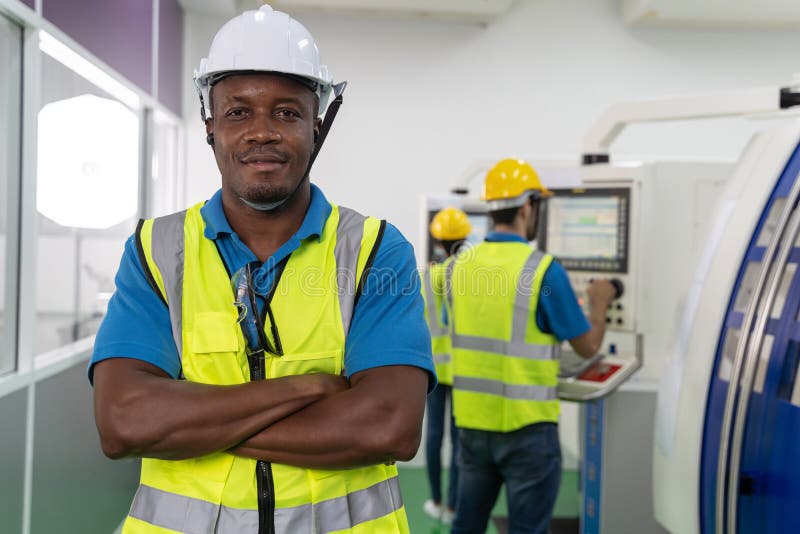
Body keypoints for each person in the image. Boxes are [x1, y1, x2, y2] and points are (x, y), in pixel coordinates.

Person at [89, 6, 434, 533]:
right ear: (210, 126)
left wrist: (186, 421)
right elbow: (122, 423)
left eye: (287, 113)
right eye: (238, 112)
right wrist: (307, 389)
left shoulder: (375, 252)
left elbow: (389, 427)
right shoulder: (154, 252)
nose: (262, 133)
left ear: (317, 126)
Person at [442, 159, 617, 534]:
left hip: (473, 423)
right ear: (527, 207)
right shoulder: (542, 269)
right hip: (528, 430)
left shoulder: (460, 266)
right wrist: (600, 303)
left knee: (467, 525)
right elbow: (587, 347)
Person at [421, 207, 472, 525]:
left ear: (436, 239)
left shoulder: (425, 276)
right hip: (464, 369)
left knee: (434, 436)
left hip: (434, 370)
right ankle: (454, 506)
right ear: (465, 237)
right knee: (458, 440)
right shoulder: (472, 277)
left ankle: (436, 500)